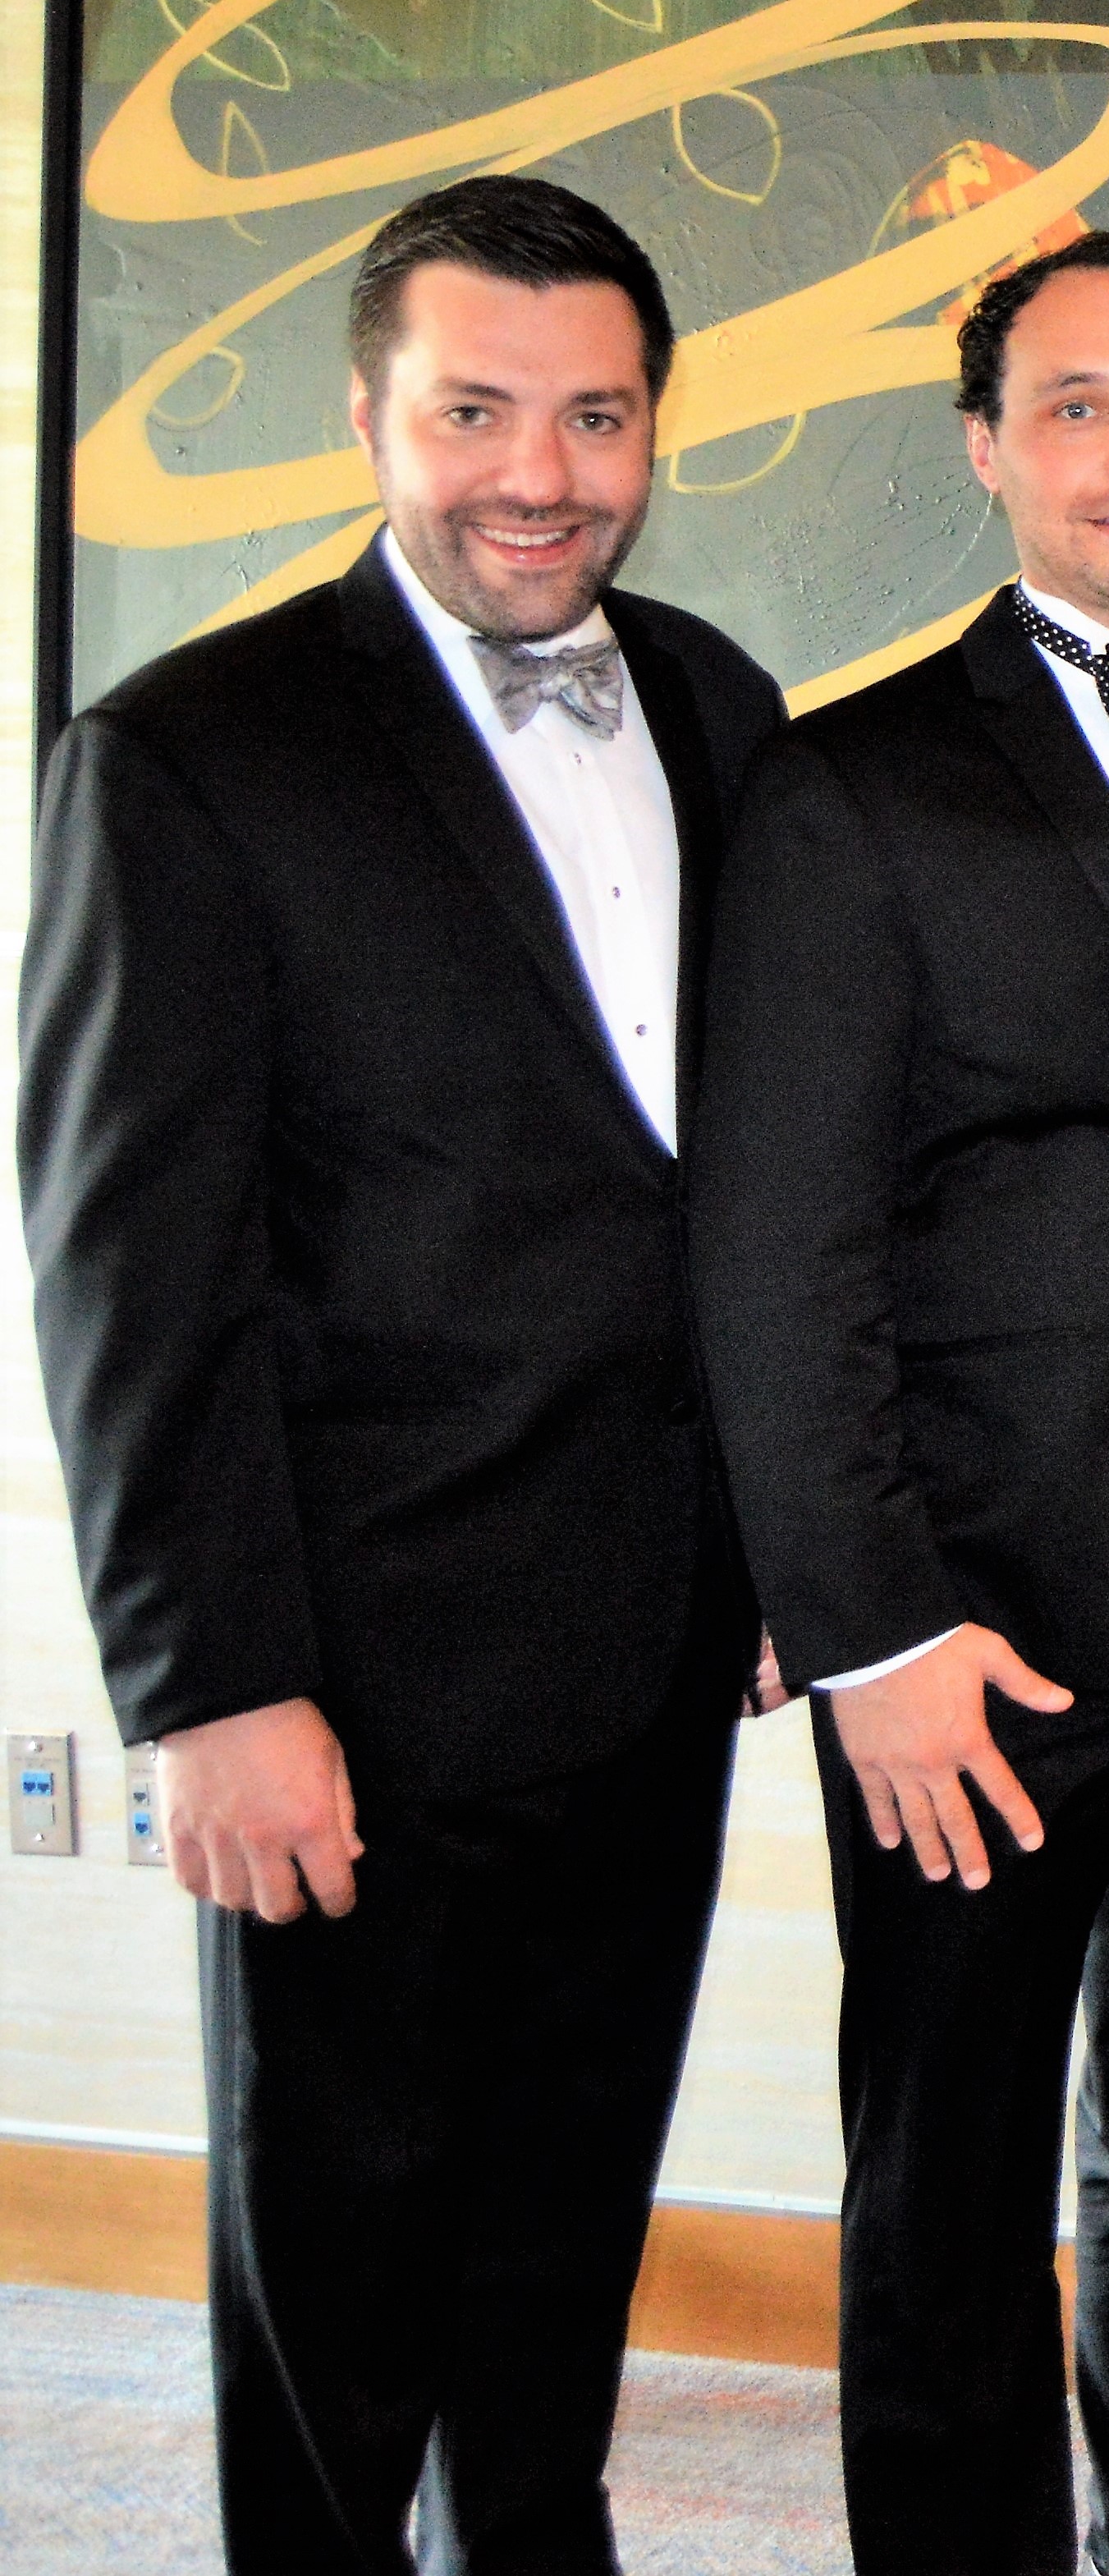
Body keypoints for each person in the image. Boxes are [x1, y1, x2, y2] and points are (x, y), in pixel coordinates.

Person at [20, 175, 786, 2571]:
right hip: (346, 1665)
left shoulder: (720, 704)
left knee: (565, 2228)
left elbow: (744, 1180)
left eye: (592, 413)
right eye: (475, 411)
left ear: (656, 425)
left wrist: (781, 1544)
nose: (537, 472)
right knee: (338, 2275)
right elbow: (127, 1259)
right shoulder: (186, 752)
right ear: (369, 415)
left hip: (658, 1631)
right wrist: (213, 1686)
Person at [687, 233, 1109, 2573]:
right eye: (1074, 405)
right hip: (974, 1626)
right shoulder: (845, 784)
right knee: (953, 2167)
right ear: (985, 446)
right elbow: (778, 1255)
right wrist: (862, 1624)